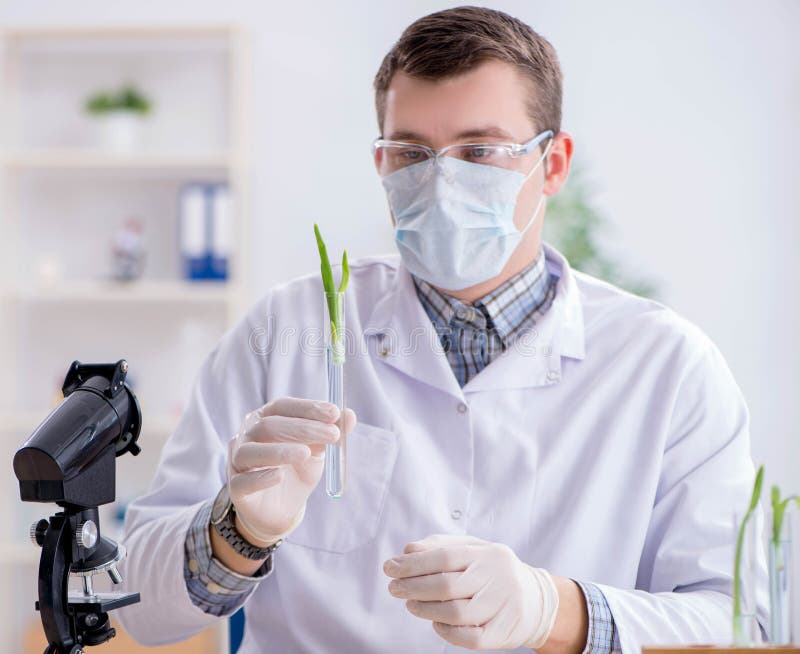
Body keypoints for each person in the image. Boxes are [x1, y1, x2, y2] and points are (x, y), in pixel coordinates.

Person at [117, 7, 767, 652]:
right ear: (381, 163)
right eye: (410, 152)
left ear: (555, 164)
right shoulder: (283, 332)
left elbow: (741, 622)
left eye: (481, 150)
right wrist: (239, 533)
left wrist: (554, 610)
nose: (441, 179)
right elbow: (142, 609)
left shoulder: (668, 364)